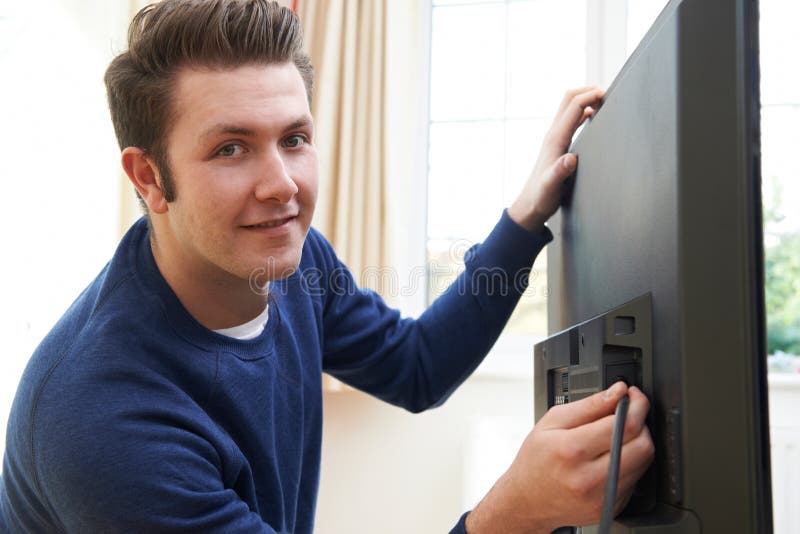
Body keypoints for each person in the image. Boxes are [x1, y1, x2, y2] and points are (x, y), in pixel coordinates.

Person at [0, 1, 654, 532]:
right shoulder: (106, 420)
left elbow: (417, 366)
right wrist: (516, 514)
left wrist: (523, 219)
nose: (281, 185)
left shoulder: (290, 262)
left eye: (294, 138)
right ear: (149, 178)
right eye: (231, 148)